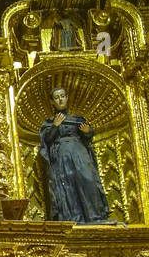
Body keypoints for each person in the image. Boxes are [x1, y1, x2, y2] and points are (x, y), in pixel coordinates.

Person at [39, 85, 111, 224]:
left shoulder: (77, 119)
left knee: (87, 180)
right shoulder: (49, 123)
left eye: (62, 96)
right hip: (62, 158)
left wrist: (87, 132)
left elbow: (88, 137)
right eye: (56, 98)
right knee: (67, 186)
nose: (60, 100)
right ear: (52, 102)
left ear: (67, 98)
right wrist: (55, 126)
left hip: (79, 154)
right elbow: (46, 140)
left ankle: (95, 216)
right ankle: (72, 219)